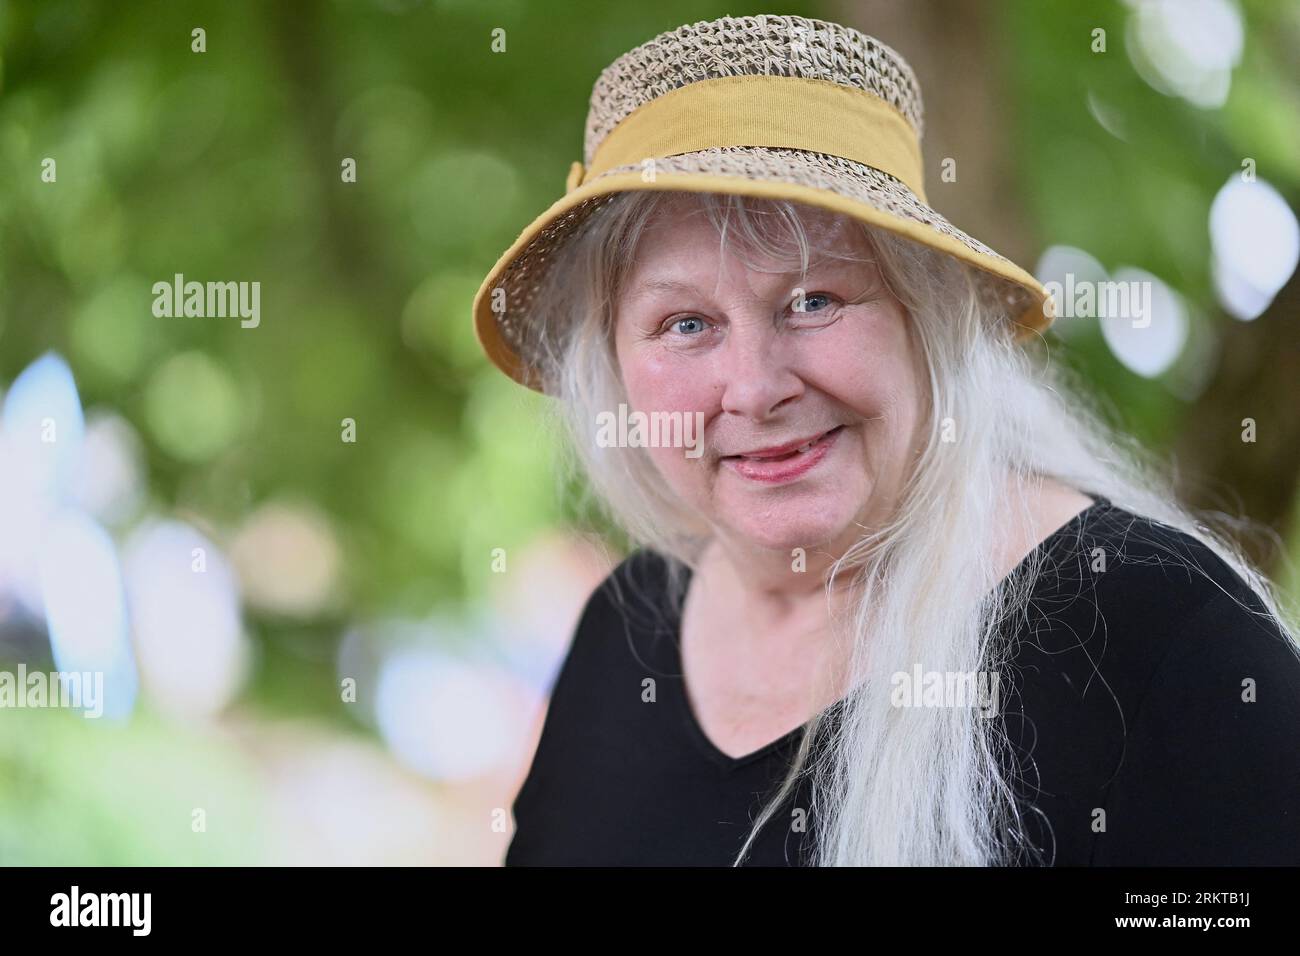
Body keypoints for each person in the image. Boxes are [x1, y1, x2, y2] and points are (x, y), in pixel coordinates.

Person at [471, 14, 1300, 866]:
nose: (756, 388)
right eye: (685, 323)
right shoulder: (625, 629)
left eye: (814, 301)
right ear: (613, 367)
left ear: (925, 319)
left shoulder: (1160, 634)